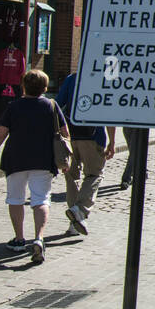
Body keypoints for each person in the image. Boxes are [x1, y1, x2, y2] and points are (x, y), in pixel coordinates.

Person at [0, 69, 71, 264]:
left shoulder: (14, 107)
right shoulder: (52, 106)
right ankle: (39, 237)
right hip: (44, 160)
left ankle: (19, 239)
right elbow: (65, 133)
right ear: (45, 87)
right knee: (41, 199)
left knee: (15, 199)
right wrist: (65, 159)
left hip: (16, 159)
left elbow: (0, 134)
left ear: (23, 86)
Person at [55, 71, 116, 236]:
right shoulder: (105, 79)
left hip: (70, 135)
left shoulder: (71, 78)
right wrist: (112, 140)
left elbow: (58, 106)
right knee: (94, 175)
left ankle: (74, 224)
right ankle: (80, 210)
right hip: (93, 135)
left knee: (71, 177)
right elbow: (110, 112)